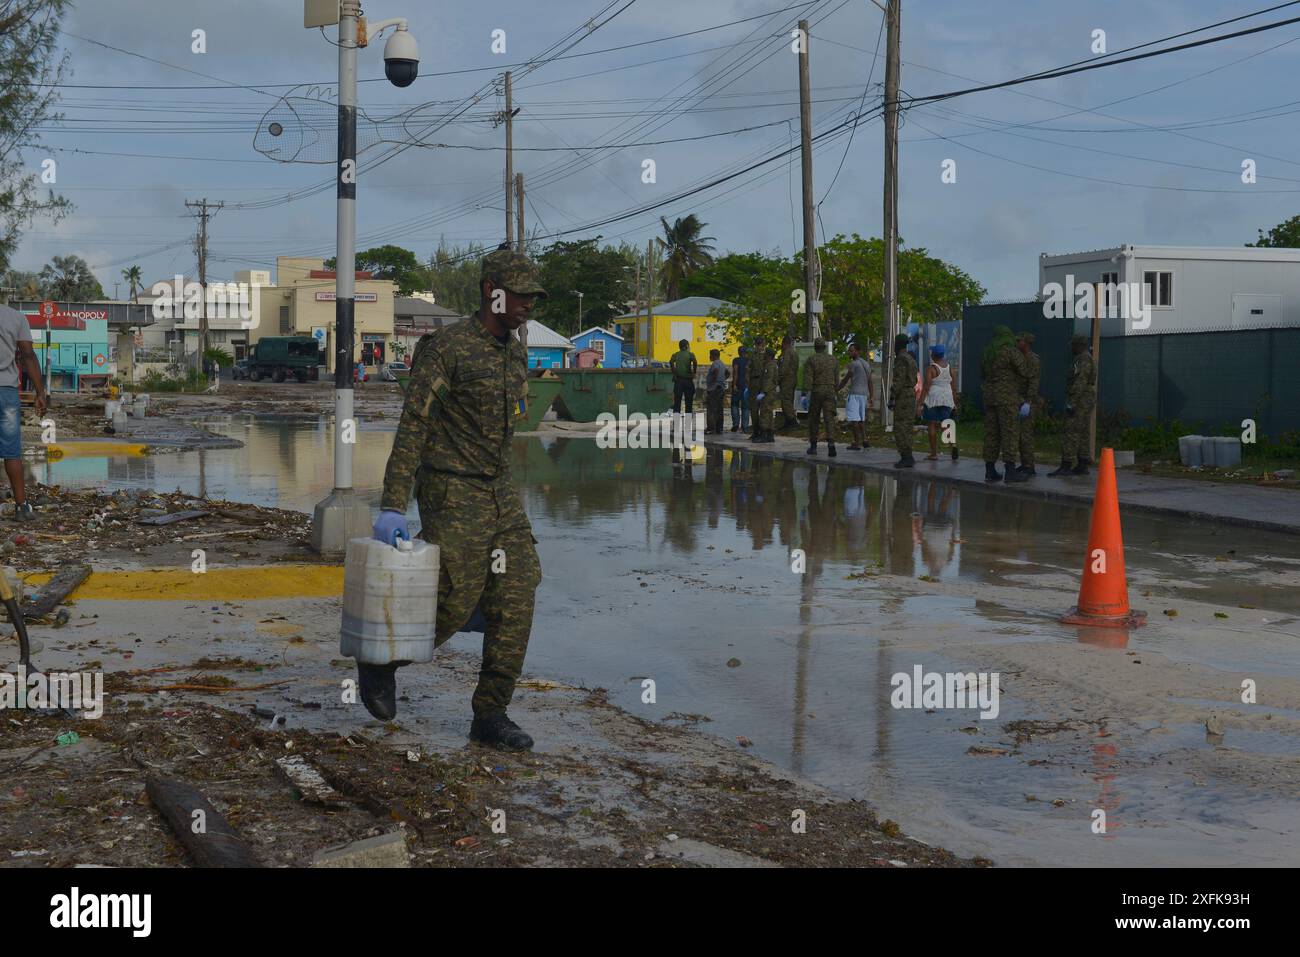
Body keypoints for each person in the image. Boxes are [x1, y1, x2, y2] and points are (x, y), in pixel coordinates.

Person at [370, 247, 546, 752]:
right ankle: (382, 661)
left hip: (499, 489)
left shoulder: (515, 351)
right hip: (452, 487)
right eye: (519, 294)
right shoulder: (446, 348)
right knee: (453, 596)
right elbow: (415, 427)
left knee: (517, 592)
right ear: (492, 291)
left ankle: (490, 714)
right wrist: (392, 503)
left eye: (532, 297)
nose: (527, 305)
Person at [0, 303, 48, 520]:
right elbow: (28, 355)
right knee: (11, 452)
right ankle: (21, 508)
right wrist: (40, 392)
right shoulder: (15, 317)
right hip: (6, 393)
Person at [980, 325, 1030, 482]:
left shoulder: (987, 351)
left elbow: (982, 373)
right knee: (1010, 432)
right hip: (1007, 398)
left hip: (989, 397)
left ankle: (990, 470)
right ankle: (1010, 471)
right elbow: (1024, 370)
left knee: (991, 434)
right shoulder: (1010, 350)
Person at [1050, 335, 1096, 477]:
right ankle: (1082, 464)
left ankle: (1066, 465)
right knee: (1082, 431)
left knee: (1071, 430)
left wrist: (1072, 403)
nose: (1071, 348)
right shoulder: (1085, 358)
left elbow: (1080, 381)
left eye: (1073, 345)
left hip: (1080, 398)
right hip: (1085, 398)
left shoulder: (1083, 359)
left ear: (1079, 345)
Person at [922, 343, 957, 461]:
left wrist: (920, 403)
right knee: (945, 423)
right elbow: (954, 387)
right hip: (947, 398)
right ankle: (953, 446)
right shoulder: (950, 368)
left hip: (933, 398)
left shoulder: (931, 369)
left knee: (932, 424)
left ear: (933, 355)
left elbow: (926, 387)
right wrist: (954, 402)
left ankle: (933, 454)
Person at [888, 333, 918, 468]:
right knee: (907, 426)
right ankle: (908, 455)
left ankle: (906, 457)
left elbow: (899, 380)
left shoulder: (900, 359)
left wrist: (892, 396)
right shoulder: (911, 359)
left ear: (898, 344)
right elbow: (915, 379)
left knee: (900, 426)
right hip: (911, 394)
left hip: (903, 396)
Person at [805, 338, 838, 457]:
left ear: (815, 347)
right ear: (824, 347)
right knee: (829, 419)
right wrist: (835, 391)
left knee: (814, 419)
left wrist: (806, 393)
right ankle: (831, 445)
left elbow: (808, 379)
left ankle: (813, 446)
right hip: (830, 390)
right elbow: (836, 378)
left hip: (817, 391)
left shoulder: (811, 359)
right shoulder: (833, 359)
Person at [838, 342, 872, 451]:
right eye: (849, 350)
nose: (850, 352)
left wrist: (836, 389)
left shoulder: (853, 364)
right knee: (861, 419)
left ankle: (856, 442)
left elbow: (846, 379)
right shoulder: (866, 364)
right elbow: (870, 381)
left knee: (854, 420)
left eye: (852, 350)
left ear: (858, 351)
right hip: (864, 395)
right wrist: (871, 395)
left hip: (854, 394)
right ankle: (865, 439)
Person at [1016, 331, 1041, 475]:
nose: (1018, 343)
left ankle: (1029, 466)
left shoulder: (1033, 359)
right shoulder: (1019, 358)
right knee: (1020, 436)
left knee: (1026, 435)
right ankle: (1024, 463)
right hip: (1018, 399)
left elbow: (1033, 382)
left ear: (1026, 343)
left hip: (1027, 401)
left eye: (1020, 341)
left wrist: (1028, 402)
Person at [753, 345, 778, 443]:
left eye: (765, 354)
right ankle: (770, 435)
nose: (764, 356)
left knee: (764, 413)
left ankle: (763, 435)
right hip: (771, 392)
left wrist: (763, 392)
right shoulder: (772, 364)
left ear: (768, 355)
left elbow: (768, 379)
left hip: (768, 393)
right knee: (769, 414)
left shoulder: (769, 366)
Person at [670, 338, 697, 415]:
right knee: (689, 403)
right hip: (688, 380)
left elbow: (671, 362)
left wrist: (674, 373)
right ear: (686, 346)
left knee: (677, 402)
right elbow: (695, 361)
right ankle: (688, 423)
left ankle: (676, 422)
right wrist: (694, 372)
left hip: (678, 381)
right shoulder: (690, 354)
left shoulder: (676, 354)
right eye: (688, 345)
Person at [747, 335, 767, 439]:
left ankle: (756, 431)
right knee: (764, 408)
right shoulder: (767, 355)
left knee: (754, 408)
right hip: (765, 383)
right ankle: (764, 432)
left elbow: (748, 370)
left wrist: (748, 382)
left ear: (755, 343)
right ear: (763, 343)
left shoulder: (752, 355)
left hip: (754, 383)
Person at [778, 334, 799, 430]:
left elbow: (784, 367)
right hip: (792, 379)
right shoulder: (794, 353)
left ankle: (792, 421)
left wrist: (778, 378)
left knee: (786, 401)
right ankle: (788, 422)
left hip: (786, 380)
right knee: (789, 400)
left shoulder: (787, 353)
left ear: (785, 343)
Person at [704, 348, 727, 434]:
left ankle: (711, 428)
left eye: (710, 355)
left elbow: (716, 371)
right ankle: (719, 428)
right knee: (719, 409)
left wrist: (712, 382)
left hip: (714, 389)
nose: (709, 356)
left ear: (714, 355)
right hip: (721, 388)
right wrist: (722, 380)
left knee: (711, 409)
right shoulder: (722, 363)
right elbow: (727, 373)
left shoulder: (715, 364)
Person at [730, 346, 749, 432]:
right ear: (746, 352)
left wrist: (734, 384)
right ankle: (745, 426)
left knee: (735, 405)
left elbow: (735, 372)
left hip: (738, 386)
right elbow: (748, 374)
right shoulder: (749, 361)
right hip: (746, 387)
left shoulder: (736, 360)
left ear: (738, 352)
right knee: (745, 407)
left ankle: (736, 424)